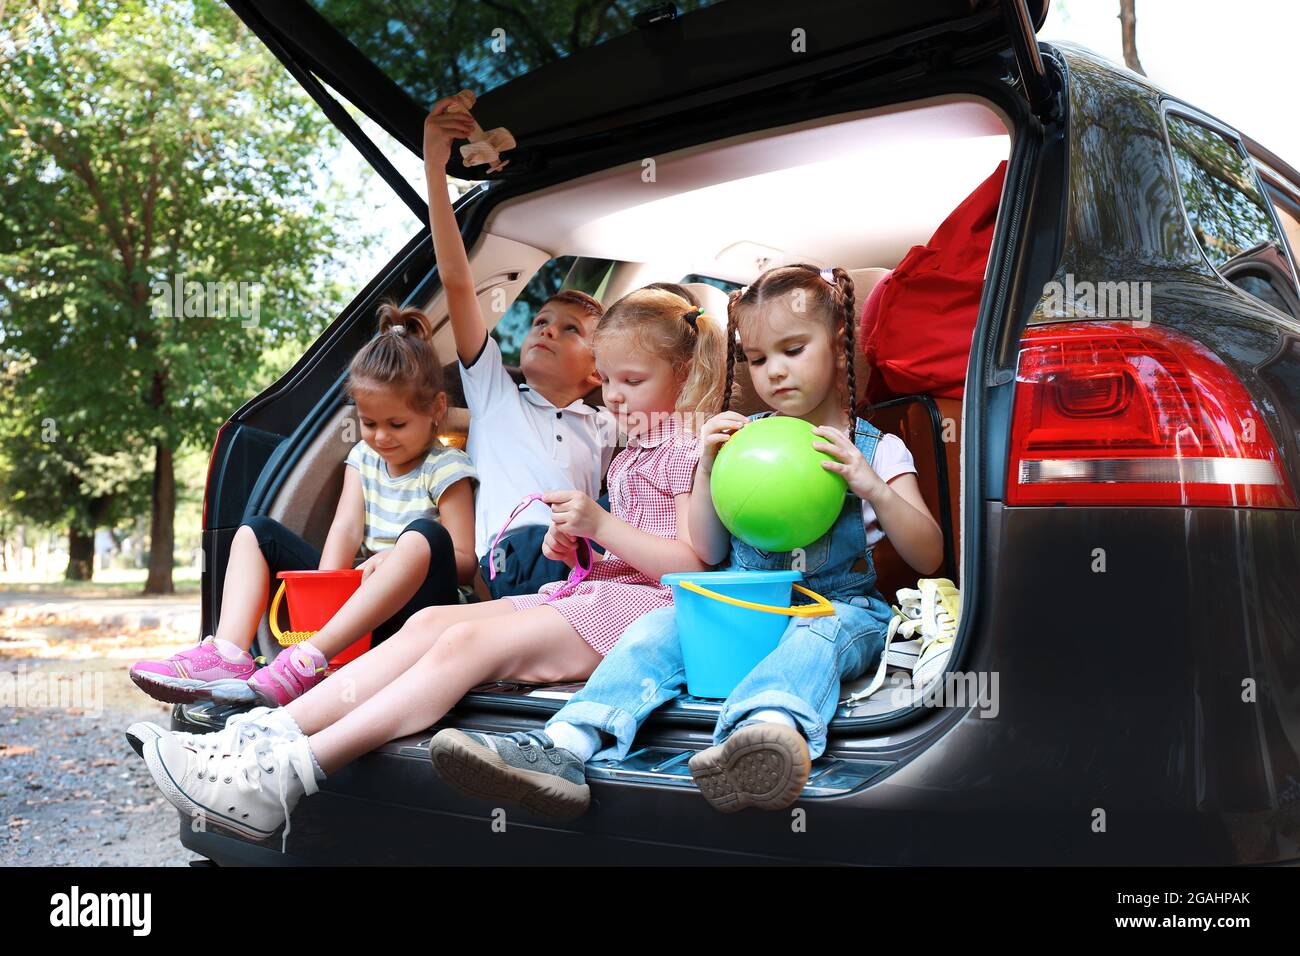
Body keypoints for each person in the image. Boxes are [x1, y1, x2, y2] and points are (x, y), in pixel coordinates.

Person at [136, 286, 727, 846]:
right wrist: (576, 546)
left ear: (687, 375)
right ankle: (263, 735)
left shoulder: (685, 449)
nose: (615, 394)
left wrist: (600, 525)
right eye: (611, 378)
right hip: (595, 593)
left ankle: (286, 777)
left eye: (633, 380)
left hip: (645, 613)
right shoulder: (633, 451)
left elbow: (694, 567)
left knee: (463, 641)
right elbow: (627, 547)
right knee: (430, 624)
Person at [429, 264, 945, 819]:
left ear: (840, 348)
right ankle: (565, 746)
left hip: (841, 607)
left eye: (794, 349)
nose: (774, 372)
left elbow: (929, 555)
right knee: (657, 627)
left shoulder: (876, 448)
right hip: (748, 603)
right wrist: (705, 465)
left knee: (816, 638)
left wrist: (872, 486)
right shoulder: (739, 439)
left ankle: (766, 733)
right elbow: (709, 550)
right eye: (758, 358)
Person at [127, 304, 477, 708]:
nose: (381, 437)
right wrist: (327, 595)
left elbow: (465, 561)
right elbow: (345, 530)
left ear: (435, 409)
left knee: (423, 535)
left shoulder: (447, 467)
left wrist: (399, 555)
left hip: (417, 613)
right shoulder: (362, 459)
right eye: (369, 423)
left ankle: (308, 659)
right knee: (256, 532)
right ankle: (228, 654)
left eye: (396, 424)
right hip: (360, 614)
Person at [425, 92, 617, 597]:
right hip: (512, 557)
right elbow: (457, 281)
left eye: (570, 329)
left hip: (575, 559)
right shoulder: (494, 394)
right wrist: (434, 169)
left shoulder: (602, 426)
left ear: (599, 372)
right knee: (548, 540)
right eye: (541, 321)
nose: (546, 330)